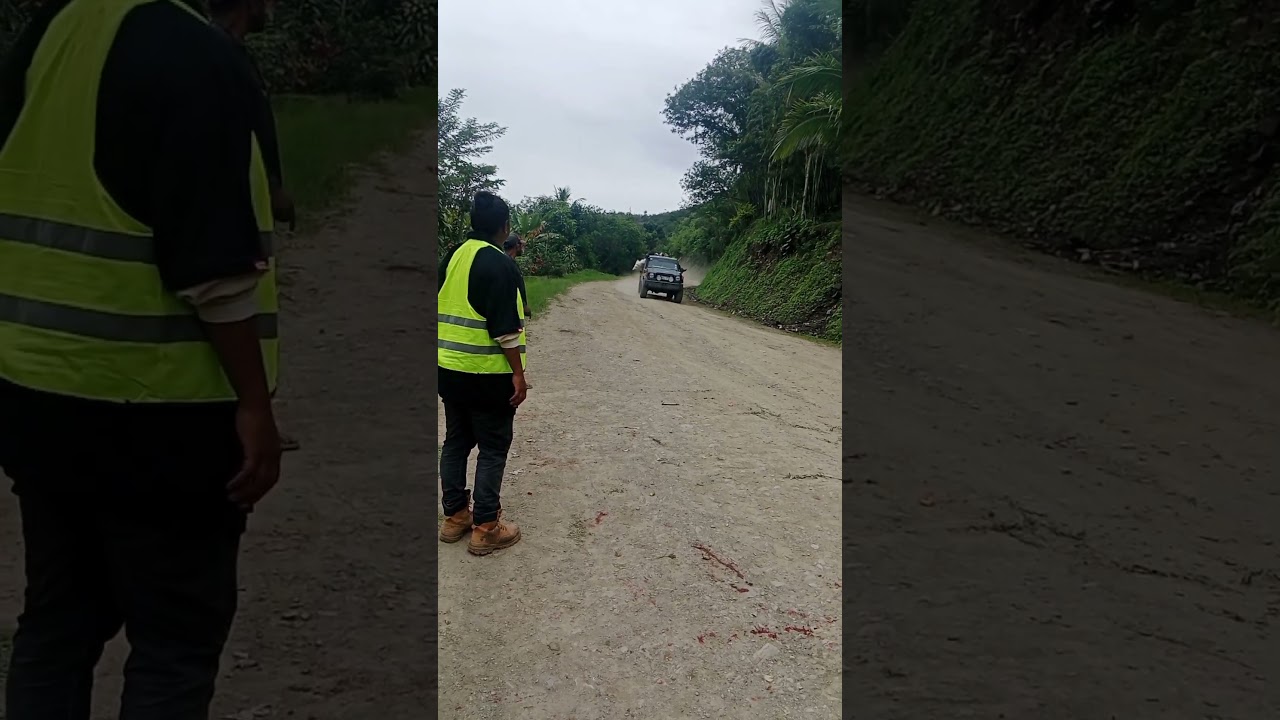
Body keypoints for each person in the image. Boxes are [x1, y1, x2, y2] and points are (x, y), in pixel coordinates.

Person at [0, 0, 283, 717]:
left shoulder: (49, 33)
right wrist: (254, 402)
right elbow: (214, 272)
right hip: (163, 414)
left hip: (36, 395)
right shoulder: (194, 55)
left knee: (56, 626)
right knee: (174, 646)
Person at [211, 0, 301, 452]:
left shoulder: (232, 54)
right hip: (233, 210)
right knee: (236, 303)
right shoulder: (217, 56)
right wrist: (273, 186)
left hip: (251, 201)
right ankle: (249, 413)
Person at [438, 192, 527, 556]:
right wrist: (518, 375)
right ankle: (487, 526)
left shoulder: (453, 256)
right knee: (492, 448)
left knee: (457, 441)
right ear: (504, 227)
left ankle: (456, 516)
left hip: (449, 370)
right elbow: (506, 332)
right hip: (488, 375)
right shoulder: (500, 264)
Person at [503, 232, 532, 319]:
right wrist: (524, 306)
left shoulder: (506, 261)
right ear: (516, 246)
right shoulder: (509, 265)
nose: (523, 247)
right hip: (510, 312)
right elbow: (516, 287)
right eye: (521, 245)